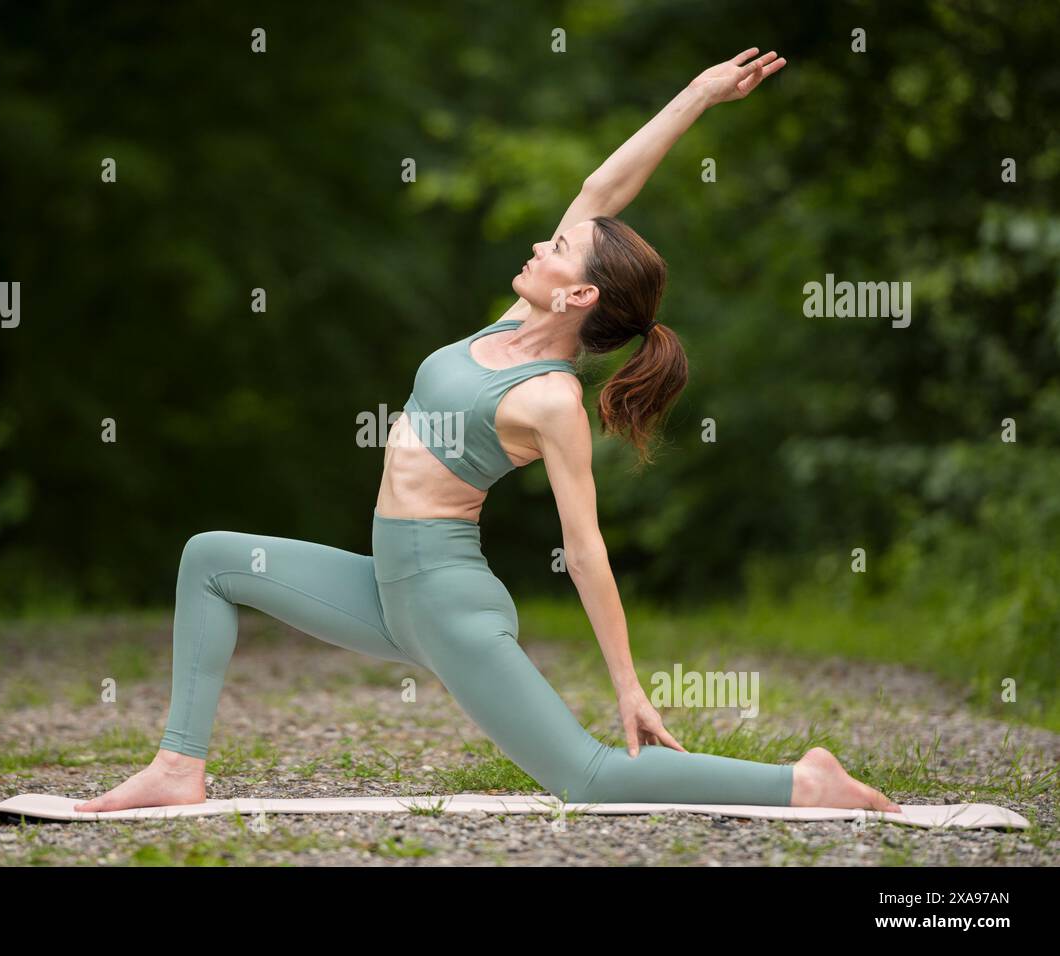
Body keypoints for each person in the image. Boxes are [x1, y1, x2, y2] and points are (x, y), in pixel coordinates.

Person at [76, 47, 900, 814]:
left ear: (579, 298)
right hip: (384, 587)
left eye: (559, 250)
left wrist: (628, 685)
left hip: (443, 600)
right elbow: (601, 192)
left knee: (588, 777)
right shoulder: (511, 326)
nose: (543, 242)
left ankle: (801, 781)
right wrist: (698, 95)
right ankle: (179, 767)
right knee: (213, 558)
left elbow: (585, 549)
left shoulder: (550, 399)